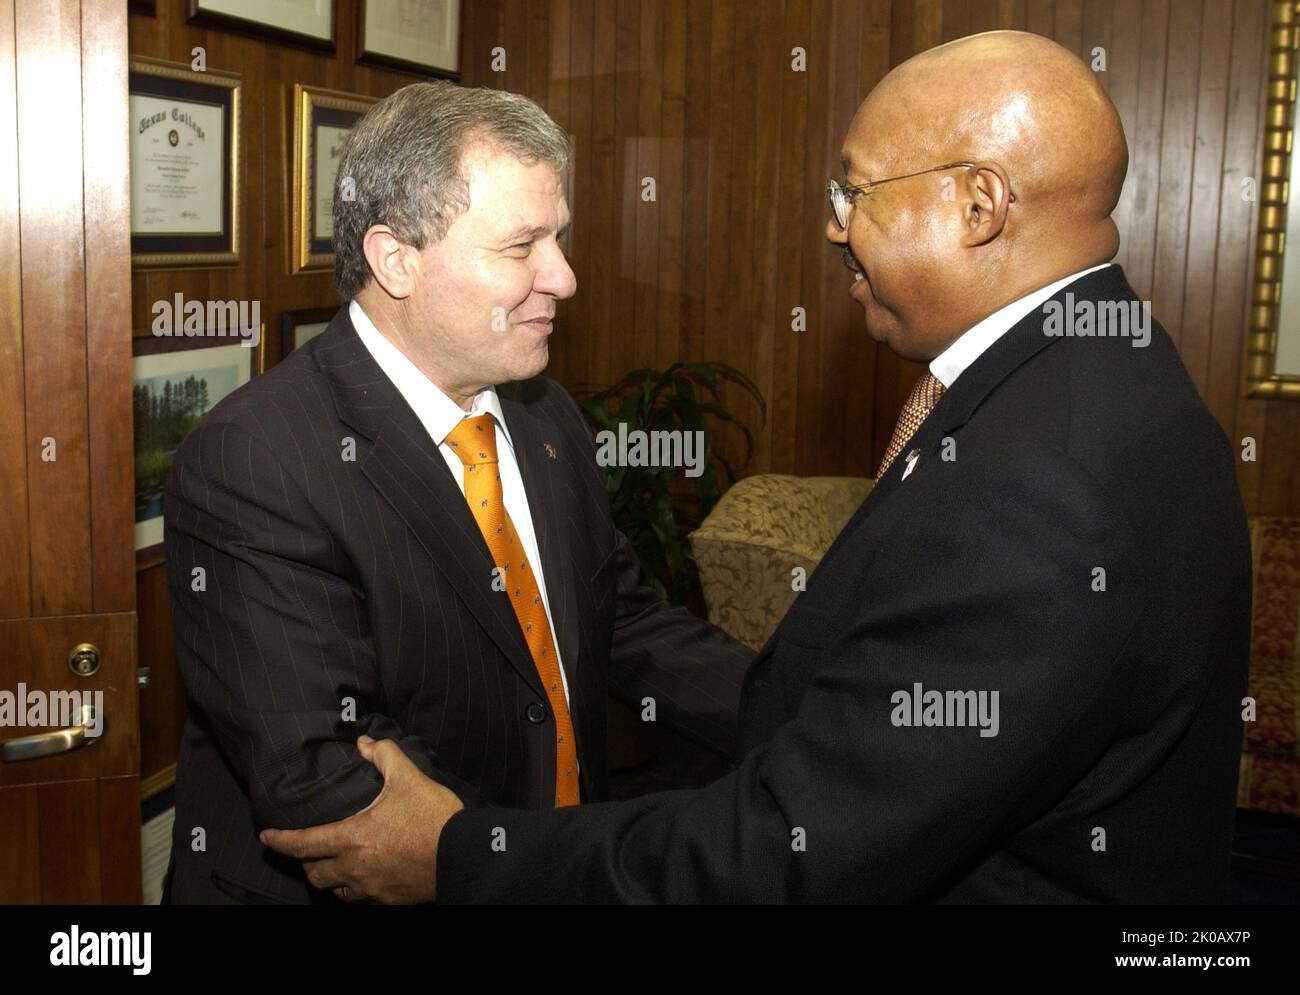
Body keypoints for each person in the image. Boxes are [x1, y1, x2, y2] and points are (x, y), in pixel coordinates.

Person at [263, 30, 1252, 904]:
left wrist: (458, 855)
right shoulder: (1106, 364)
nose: (833, 226)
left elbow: (796, 850)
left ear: (978, 204)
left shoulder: (1040, 479)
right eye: (523, 243)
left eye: (852, 192)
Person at [162, 81, 753, 904]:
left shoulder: (546, 416)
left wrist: (791, 712)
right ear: (395, 259)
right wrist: (551, 867)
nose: (566, 277)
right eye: (523, 246)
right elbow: (326, 778)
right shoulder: (254, 462)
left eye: (560, 238)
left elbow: (616, 617)